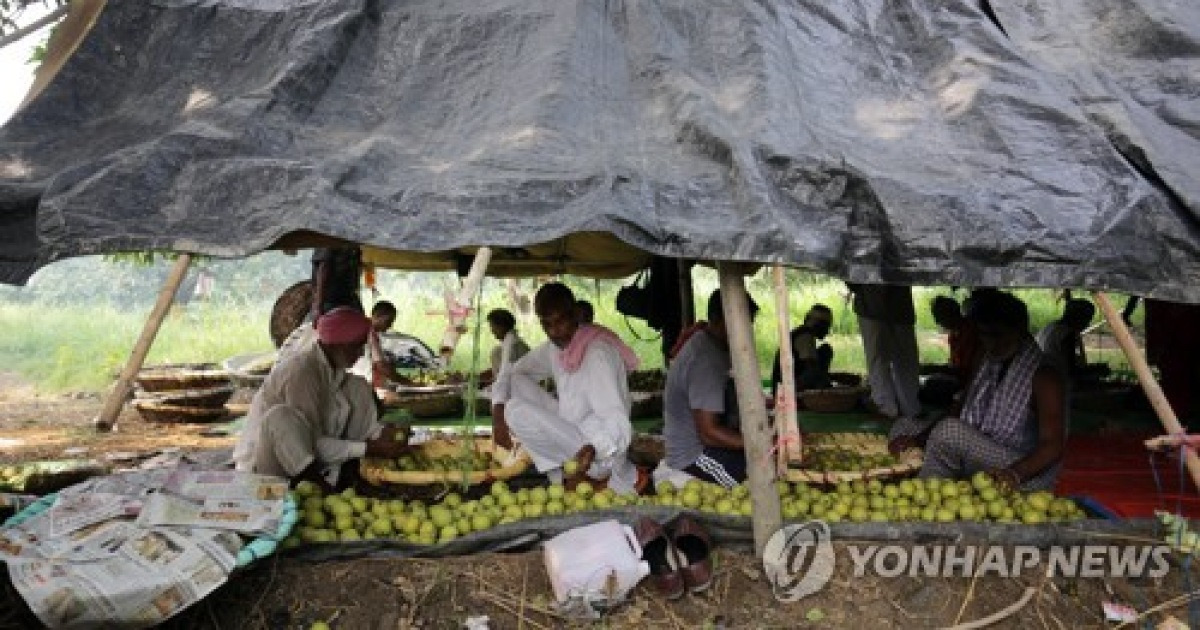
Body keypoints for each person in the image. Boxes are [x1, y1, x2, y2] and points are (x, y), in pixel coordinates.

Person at [891, 291, 1067, 491]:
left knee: (949, 432)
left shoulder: (1044, 375)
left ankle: (924, 492)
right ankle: (920, 476)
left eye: (998, 335)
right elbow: (960, 407)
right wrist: (919, 438)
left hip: (1020, 464)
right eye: (984, 334)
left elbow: (1052, 446)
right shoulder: (985, 357)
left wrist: (1014, 474)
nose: (991, 343)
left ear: (1019, 330)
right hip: (980, 444)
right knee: (903, 426)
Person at [233, 308, 407, 490]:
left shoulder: (335, 371)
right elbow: (309, 443)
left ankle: (347, 472)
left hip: (315, 462)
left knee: (359, 385)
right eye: (356, 347)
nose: (361, 354)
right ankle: (321, 490)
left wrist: (387, 435)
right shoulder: (301, 372)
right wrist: (369, 448)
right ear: (336, 346)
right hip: (268, 468)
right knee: (280, 416)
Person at [492, 283, 642, 493]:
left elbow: (618, 422)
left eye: (561, 321)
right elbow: (511, 372)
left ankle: (588, 478)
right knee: (515, 390)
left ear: (575, 314)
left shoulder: (597, 353)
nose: (555, 331)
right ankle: (564, 477)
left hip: (599, 454)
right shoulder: (556, 347)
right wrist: (498, 414)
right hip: (572, 438)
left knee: (515, 410)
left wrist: (595, 447)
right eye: (547, 324)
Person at [660, 290, 759, 488]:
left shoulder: (715, 347)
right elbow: (709, 432)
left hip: (711, 446)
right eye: (741, 323)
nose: (746, 330)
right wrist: (760, 444)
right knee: (759, 482)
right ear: (717, 319)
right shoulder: (705, 360)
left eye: (749, 323)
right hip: (694, 456)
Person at [849, 283, 921, 420]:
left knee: (881, 357)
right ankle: (905, 407)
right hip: (890, 302)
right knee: (901, 358)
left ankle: (889, 407)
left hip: (875, 303)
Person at [919, 295, 983, 407]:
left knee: (928, 391)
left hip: (971, 382)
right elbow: (954, 365)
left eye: (939, 317)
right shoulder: (954, 335)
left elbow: (968, 370)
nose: (937, 321)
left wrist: (936, 368)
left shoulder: (970, 333)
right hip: (959, 378)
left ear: (951, 313)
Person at [770, 304, 834, 397]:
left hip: (785, 385)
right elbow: (812, 370)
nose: (827, 331)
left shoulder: (802, 333)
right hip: (785, 390)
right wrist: (831, 379)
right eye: (827, 326)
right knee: (825, 351)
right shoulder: (805, 336)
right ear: (819, 324)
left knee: (824, 351)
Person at [1036, 298, 1095, 378]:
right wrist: (1094, 370)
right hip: (1058, 383)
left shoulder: (1049, 327)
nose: (1087, 324)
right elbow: (1072, 371)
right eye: (1087, 319)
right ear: (1078, 317)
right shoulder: (1067, 335)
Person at [311, 246, 363, 320]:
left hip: (347, 299)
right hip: (331, 300)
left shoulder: (353, 245)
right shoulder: (330, 241)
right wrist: (318, 305)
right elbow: (323, 268)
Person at [485, 308, 530, 380]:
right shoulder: (517, 342)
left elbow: (504, 377)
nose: (492, 330)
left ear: (501, 326)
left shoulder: (504, 349)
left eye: (492, 326)